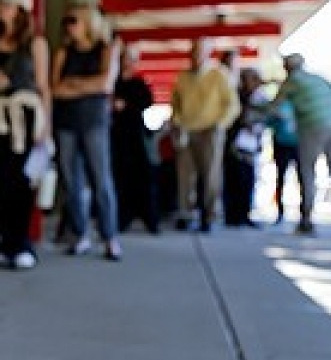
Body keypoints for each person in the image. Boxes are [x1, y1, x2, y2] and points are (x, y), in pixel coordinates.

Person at [0, 0, 50, 269]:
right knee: (0, 179)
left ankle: (22, 242)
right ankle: (5, 241)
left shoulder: (36, 43)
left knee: (22, 180)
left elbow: (43, 86)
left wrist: (46, 127)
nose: (0, 10)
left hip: (26, 116)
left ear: (20, 10)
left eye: (5, 5)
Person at [52, 3, 122, 260]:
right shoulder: (63, 53)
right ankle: (79, 233)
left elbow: (105, 84)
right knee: (71, 182)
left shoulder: (106, 49)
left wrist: (73, 83)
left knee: (101, 180)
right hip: (66, 123)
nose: (68, 26)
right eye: (66, 21)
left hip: (94, 122)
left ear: (88, 23)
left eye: (73, 20)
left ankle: (109, 236)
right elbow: (55, 89)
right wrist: (87, 86)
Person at [270, 54, 331, 236]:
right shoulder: (318, 78)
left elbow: (273, 107)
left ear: (287, 67)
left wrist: (254, 110)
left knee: (307, 173)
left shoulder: (291, 81)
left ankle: (306, 221)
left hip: (312, 128)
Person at [170, 39, 240, 233]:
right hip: (187, 130)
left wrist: (220, 124)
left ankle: (211, 215)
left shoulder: (219, 75)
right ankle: (187, 213)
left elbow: (232, 105)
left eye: (200, 51)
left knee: (211, 175)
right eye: (193, 51)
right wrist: (176, 121)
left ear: (208, 53)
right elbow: (175, 103)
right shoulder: (183, 77)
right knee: (185, 175)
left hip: (211, 131)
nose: (196, 55)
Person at [111, 45, 159, 234]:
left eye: (131, 59)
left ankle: (149, 218)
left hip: (136, 136)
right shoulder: (113, 82)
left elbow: (147, 102)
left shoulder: (139, 84)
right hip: (116, 137)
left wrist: (126, 105)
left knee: (143, 179)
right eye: (124, 58)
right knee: (120, 178)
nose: (127, 62)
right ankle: (122, 217)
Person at [223, 67, 269, 228]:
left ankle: (244, 214)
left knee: (248, 181)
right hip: (235, 144)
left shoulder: (259, 98)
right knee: (234, 180)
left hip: (250, 144)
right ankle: (232, 215)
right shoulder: (236, 96)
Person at [266, 97, 300, 225]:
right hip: (281, 145)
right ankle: (280, 212)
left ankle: (304, 213)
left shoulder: (300, 103)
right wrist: (276, 118)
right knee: (280, 179)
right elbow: (268, 122)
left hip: (297, 145)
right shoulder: (278, 103)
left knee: (302, 178)